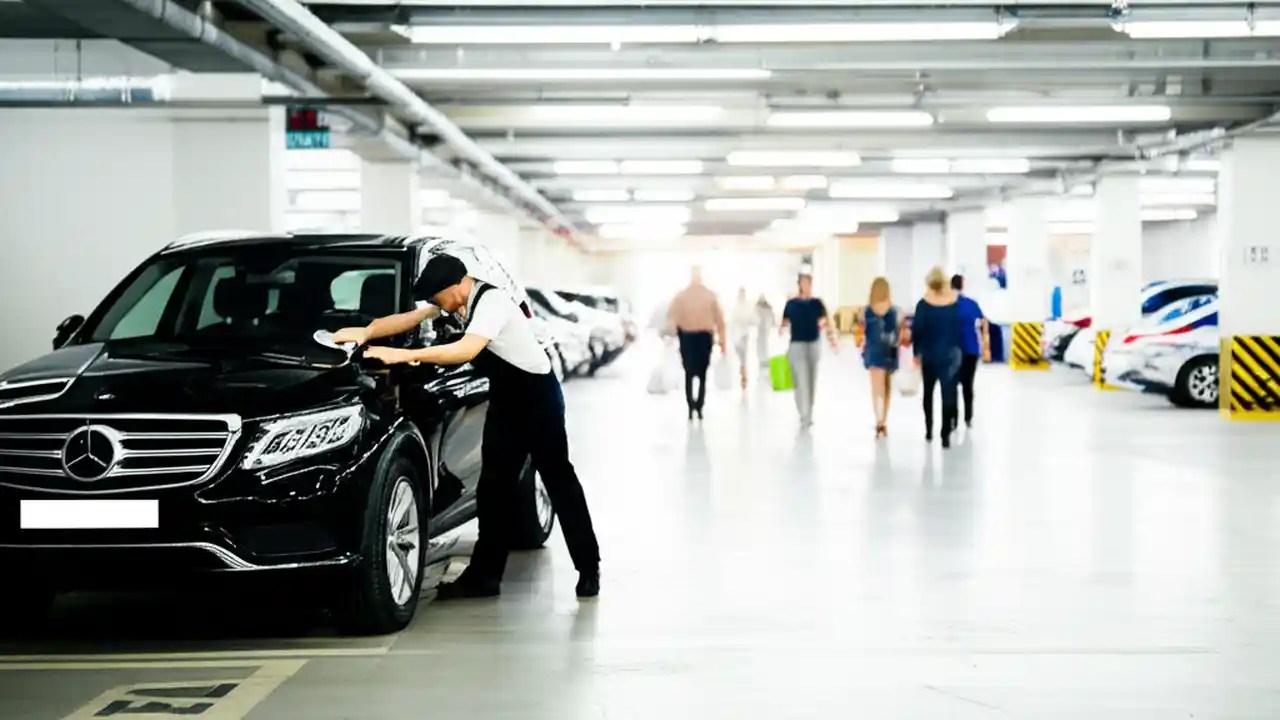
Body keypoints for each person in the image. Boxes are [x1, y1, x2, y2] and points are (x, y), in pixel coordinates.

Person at [334, 255, 601, 598]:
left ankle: (588, 567)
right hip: (506, 397)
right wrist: (368, 331)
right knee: (493, 488)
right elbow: (413, 317)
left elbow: (466, 349)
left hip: (538, 398)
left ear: (458, 285)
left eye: (438, 297)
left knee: (559, 479)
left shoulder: (491, 302)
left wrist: (401, 356)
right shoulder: (455, 301)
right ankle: (484, 578)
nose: (436, 305)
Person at [911, 267, 964, 448]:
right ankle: (945, 434)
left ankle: (928, 430)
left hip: (929, 355)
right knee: (948, 394)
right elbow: (959, 330)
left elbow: (917, 331)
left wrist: (916, 353)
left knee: (928, 393)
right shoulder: (954, 303)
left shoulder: (923, 304)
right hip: (950, 355)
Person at [667, 267, 727, 420]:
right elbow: (720, 320)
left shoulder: (681, 296)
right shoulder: (710, 296)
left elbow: (672, 316)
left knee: (688, 373)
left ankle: (690, 406)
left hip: (687, 337)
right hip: (704, 337)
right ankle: (699, 406)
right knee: (702, 374)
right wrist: (722, 341)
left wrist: (671, 333)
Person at [780, 274, 838, 429]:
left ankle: (809, 412)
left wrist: (832, 340)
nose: (806, 285)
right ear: (799, 284)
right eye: (804, 283)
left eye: (809, 283)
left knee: (811, 380)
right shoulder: (791, 304)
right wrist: (781, 330)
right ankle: (803, 413)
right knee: (801, 380)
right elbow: (784, 323)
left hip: (813, 343)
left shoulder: (817, 303)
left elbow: (825, 323)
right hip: (797, 345)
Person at [861, 277, 903, 439]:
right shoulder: (894, 311)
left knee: (875, 389)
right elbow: (898, 334)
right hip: (889, 352)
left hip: (873, 352)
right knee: (886, 388)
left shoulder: (866, 311)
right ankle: (884, 421)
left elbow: (863, 332)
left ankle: (877, 420)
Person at [951, 274, 990, 430]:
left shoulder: (948, 304)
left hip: (952, 350)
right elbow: (983, 321)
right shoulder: (971, 304)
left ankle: (953, 418)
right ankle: (968, 417)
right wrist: (986, 345)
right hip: (971, 350)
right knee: (968, 385)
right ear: (962, 285)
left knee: (951, 385)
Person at [730, 288, 755, 389]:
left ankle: (744, 373)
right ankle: (742, 368)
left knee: (743, 354)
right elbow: (732, 318)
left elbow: (752, 318)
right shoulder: (736, 305)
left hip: (744, 333)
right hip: (736, 333)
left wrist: (746, 320)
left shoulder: (747, 305)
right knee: (739, 351)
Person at [754, 294, 776, 367]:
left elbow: (772, 317)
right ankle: (763, 359)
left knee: (763, 343)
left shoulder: (761, 307)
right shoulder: (766, 307)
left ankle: (764, 359)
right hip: (763, 328)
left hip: (763, 328)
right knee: (763, 343)